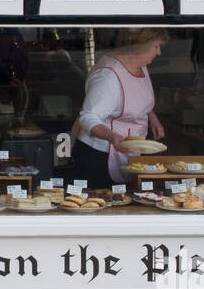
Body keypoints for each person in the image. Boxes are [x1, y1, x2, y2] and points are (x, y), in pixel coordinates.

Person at [72, 27, 169, 187]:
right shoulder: (108, 77)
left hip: (128, 149)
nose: (158, 52)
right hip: (100, 155)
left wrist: (152, 117)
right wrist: (112, 137)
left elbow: (134, 96)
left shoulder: (140, 65)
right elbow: (88, 117)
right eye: (156, 46)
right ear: (141, 46)